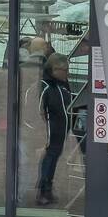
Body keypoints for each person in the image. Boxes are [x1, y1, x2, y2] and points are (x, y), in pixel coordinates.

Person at [36, 53, 72, 206]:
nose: (67, 73)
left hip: (60, 132)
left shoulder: (64, 85)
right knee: (47, 161)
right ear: (54, 69)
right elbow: (38, 111)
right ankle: (42, 191)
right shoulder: (45, 86)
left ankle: (48, 189)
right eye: (64, 70)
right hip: (50, 133)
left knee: (53, 160)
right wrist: (43, 133)